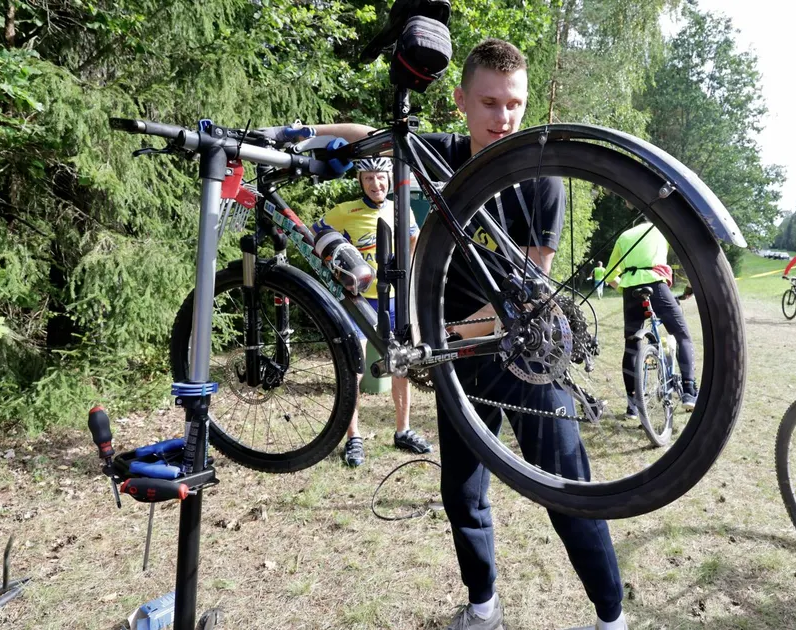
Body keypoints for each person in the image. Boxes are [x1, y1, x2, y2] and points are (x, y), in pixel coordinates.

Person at [266, 39, 627, 630]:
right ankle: (483, 607)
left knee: (566, 492)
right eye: (489, 102)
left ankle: (611, 618)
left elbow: (529, 294)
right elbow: (369, 137)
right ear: (460, 100)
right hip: (460, 360)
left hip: (527, 358)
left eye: (514, 103)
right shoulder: (442, 155)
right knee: (461, 492)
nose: (503, 118)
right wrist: (295, 134)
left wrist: (445, 335)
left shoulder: (541, 178)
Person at [311, 157, 432, 467]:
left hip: (394, 300)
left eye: (380, 177)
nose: (375, 184)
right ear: (360, 181)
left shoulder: (400, 208)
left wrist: (412, 272)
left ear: (389, 179)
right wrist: (333, 264)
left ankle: (403, 431)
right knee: (354, 369)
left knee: (401, 365)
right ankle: (353, 437)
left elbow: (415, 238)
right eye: (368, 178)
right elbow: (316, 236)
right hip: (358, 302)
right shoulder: (345, 211)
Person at [606, 221, 698, 421]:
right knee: (682, 335)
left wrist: (626, 289)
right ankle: (689, 390)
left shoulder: (625, 235)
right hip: (656, 285)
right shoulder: (661, 227)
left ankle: (632, 405)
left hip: (631, 290)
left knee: (631, 345)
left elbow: (610, 275)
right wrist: (691, 288)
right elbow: (687, 257)